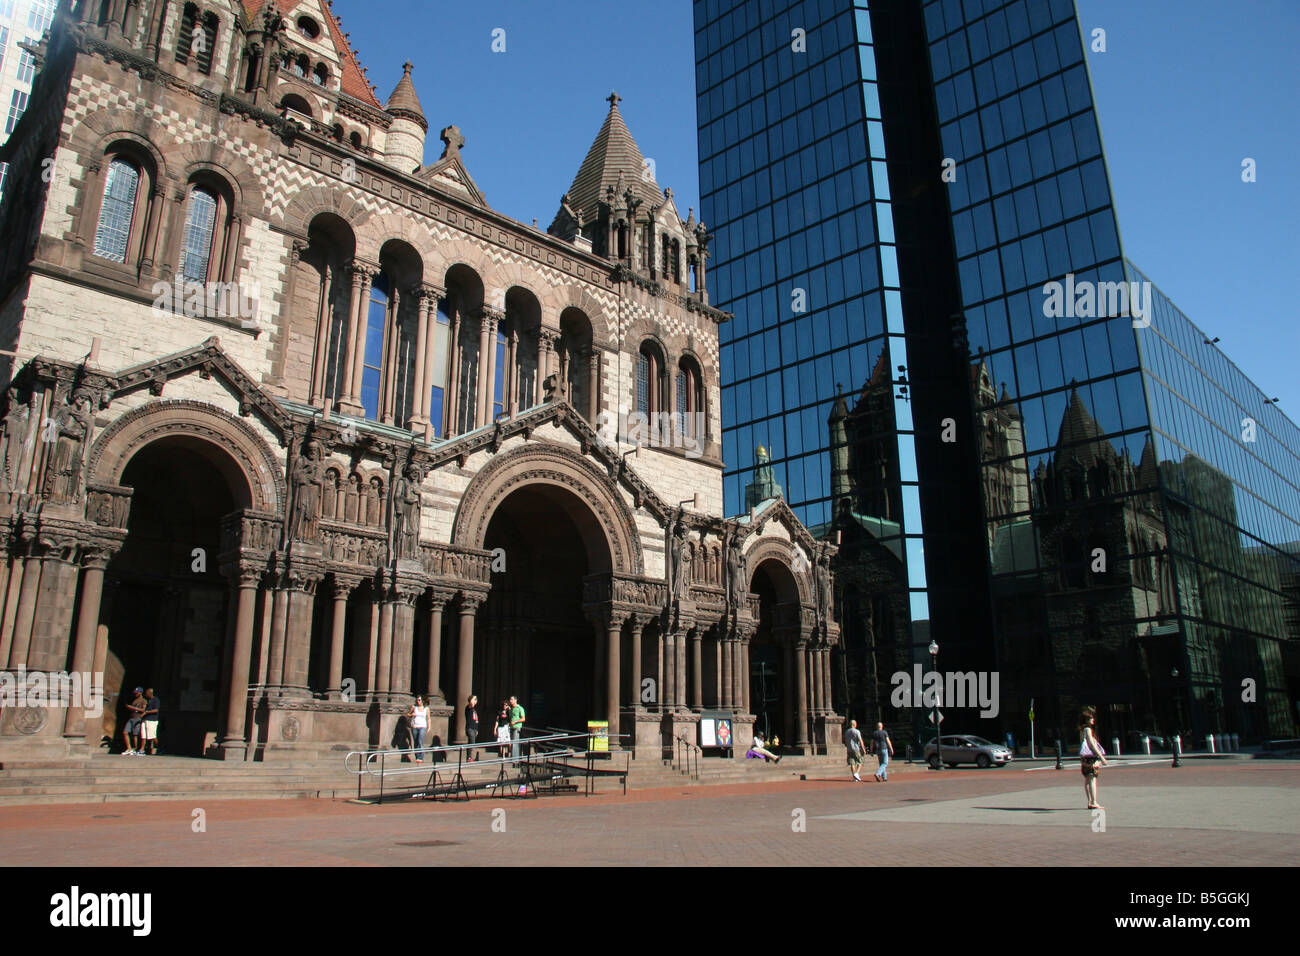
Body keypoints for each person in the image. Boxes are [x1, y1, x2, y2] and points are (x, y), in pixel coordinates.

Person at [1079, 708, 1109, 809]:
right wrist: (1101, 756)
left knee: (1088, 779)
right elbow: (1091, 744)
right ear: (1087, 720)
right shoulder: (1088, 730)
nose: (1093, 720)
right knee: (1092, 779)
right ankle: (1094, 802)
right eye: (1091, 718)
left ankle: (1090, 801)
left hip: (1085, 758)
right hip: (1090, 758)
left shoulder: (1082, 730)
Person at [407, 696, 430, 763]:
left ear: (422, 701)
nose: (418, 701)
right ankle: (417, 757)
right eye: (417, 700)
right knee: (416, 742)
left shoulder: (426, 708)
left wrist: (429, 727)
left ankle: (421, 757)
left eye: (419, 700)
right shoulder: (414, 707)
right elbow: (408, 714)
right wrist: (412, 715)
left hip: (422, 726)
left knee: (420, 741)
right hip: (415, 726)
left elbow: (428, 718)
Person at [140, 688, 161, 755]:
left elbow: (156, 710)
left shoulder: (156, 700)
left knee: (152, 736)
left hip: (152, 719)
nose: (145, 694)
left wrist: (146, 712)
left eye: (146, 693)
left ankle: (159, 748)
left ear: (150, 693)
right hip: (145, 719)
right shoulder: (147, 700)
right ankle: (141, 749)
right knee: (143, 735)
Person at [508, 695, 526, 762]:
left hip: (517, 727)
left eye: (512, 699)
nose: (510, 701)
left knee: (515, 743)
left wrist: (515, 722)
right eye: (510, 699)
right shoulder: (511, 709)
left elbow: (523, 719)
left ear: (515, 700)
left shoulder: (520, 708)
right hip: (511, 727)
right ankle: (513, 757)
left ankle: (515, 758)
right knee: (512, 742)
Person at [464, 694, 479, 762]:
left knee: (471, 742)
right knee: (472, 742)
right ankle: (469, 757)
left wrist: (476, 729)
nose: (476, 700)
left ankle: (469, 757)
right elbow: (471, 704)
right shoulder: (469, 707)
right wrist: (472, 700)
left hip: (474, 728)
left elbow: (475, 719)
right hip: (470, 728)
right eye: (474, 699)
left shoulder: (474, 709)